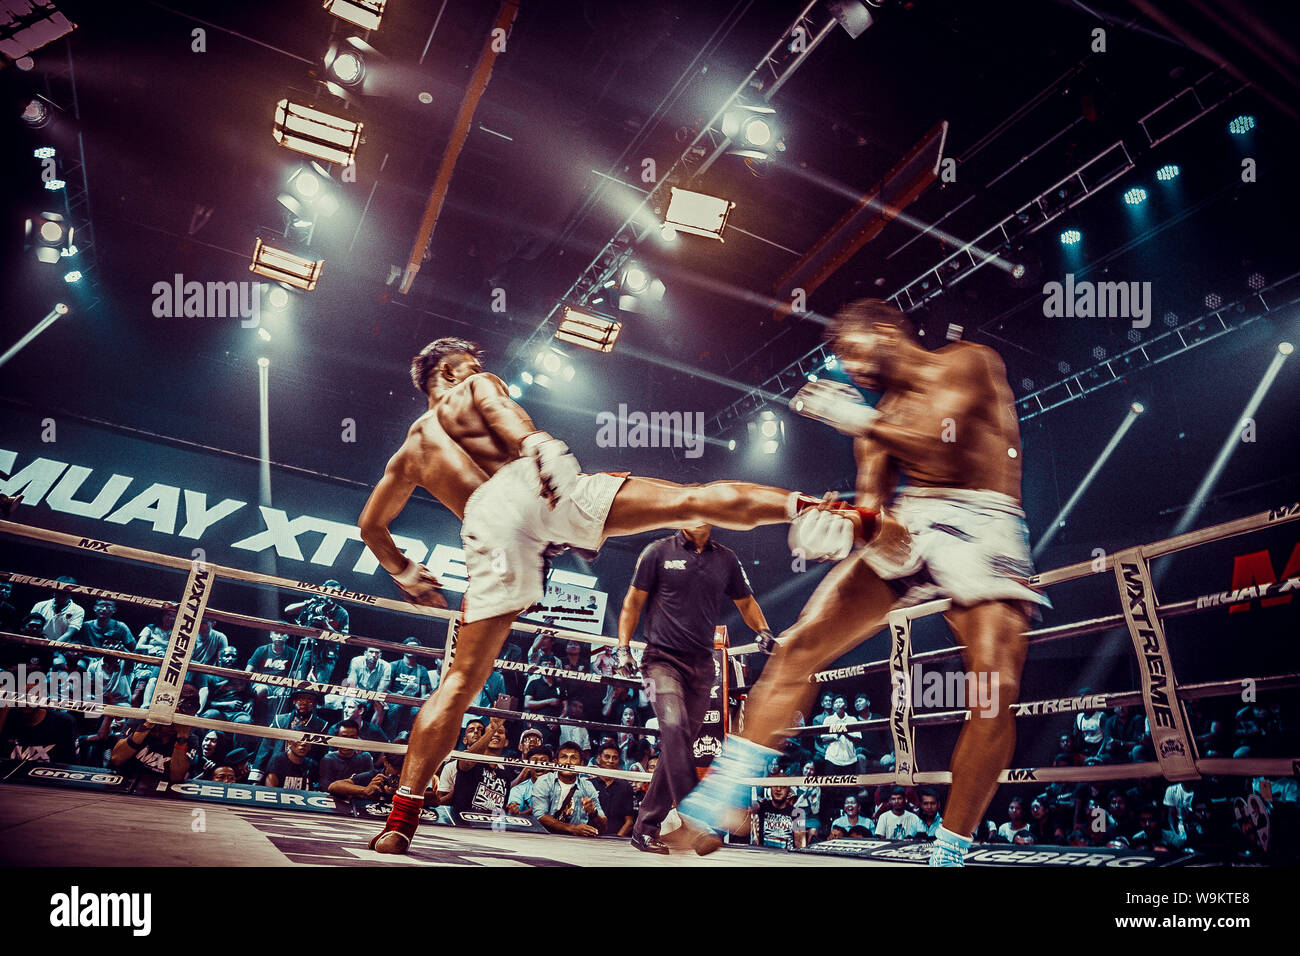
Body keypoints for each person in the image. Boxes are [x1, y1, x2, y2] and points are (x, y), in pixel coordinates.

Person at [357, 338, 854, 853]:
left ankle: (400, 820)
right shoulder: (474, 385)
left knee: (459, 684)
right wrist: (536, 444)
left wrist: (404, 570)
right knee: (689, 499)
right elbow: (497, 405)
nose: (480, 371)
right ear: (447, 371)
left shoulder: (409, 456)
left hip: (488, 528)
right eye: (471, 366)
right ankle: (813, 507)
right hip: (531, 483)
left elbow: (371, 526)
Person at [677, 298, 1050, 866]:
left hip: (986, 519)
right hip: (913, 515)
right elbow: (876, 513)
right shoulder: (876, 423)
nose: (848, 369)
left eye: (850, 351)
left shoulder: (969, 362)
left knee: (993, 688)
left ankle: (949, 852)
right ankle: (722, 798)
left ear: (883, 329)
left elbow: (944, 448)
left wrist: (866, 421)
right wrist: (839, 526)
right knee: (801, 643)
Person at [620, 522, 776, 855]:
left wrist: (763, 631)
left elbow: (746, 602)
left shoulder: (726, 559)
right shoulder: (658, 552)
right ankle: (697, 819)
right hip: (658, 661)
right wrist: (622, 649)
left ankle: (645, 828)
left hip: (703, 666)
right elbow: (632, 603)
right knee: (673, 728)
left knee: (680, 741)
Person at [531, 740, 606, 837]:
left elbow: (603, 827)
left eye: (573, 758)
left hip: (578, 843)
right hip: (545, 839)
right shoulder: (544, 781)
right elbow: (540, 816)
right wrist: (572, 829)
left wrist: (593, 813)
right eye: (564, 757)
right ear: (556, 762)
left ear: (581, 764)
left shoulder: (588, 786)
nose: (568, 762)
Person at [385, 638, 435, 738]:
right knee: (397, 707)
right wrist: (395, 695)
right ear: (403, 649)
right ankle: (389, 739)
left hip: (413, 702)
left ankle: (411, 739)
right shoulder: (394, 665)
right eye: (409, 646)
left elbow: (423, 694)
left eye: (415, 647)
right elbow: (385, 689)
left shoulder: (422, 670)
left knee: (418, 711)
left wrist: (425, 698)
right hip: (395, 700)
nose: (412, 649)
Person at [592, 741, 636, 838]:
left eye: (615, 758)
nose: (611, 761)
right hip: (591, 838)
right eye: (607, 757)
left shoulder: (625, 787)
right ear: (598, 759)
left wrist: (616, 839)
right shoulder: (589, 785)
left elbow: (629, 822)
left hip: (617, 841)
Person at [30, 576, 83, 644]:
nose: (61, 596)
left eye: (65, 593)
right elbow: (31, 627)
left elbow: (69, 633)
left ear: (71, 594)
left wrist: (52, 645)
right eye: (59, 592)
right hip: (37, 644)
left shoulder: (78, 610)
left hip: (60, 649)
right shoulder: (40, 605)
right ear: (54, 590)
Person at [751, 785, 806, 849]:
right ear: (770, 787)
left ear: (789, 789)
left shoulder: (798, 814)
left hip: (787, 857)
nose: (778, 789)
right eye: (775, 785)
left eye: (783, 786)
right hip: (763, 855)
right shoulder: (761, 808)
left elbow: (800, 846)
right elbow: (750, 806)